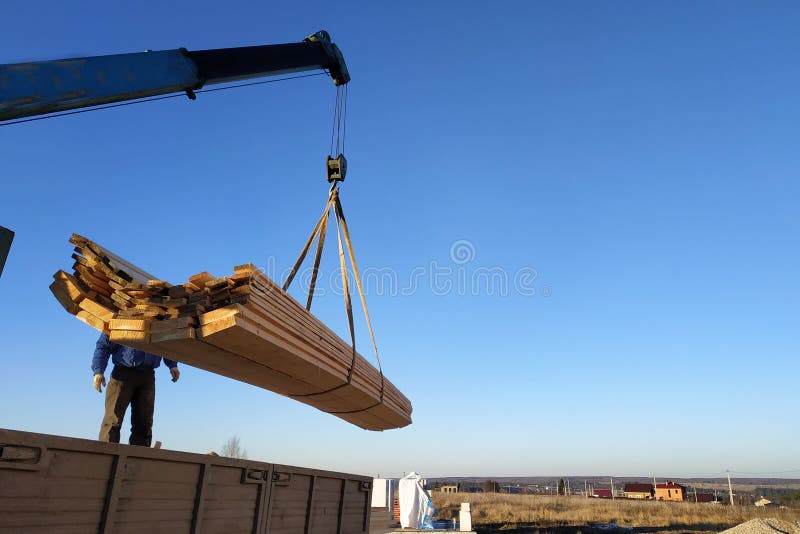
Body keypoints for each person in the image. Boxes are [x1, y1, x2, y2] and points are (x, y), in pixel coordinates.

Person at [91, 333, 180, 446]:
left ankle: (138, 460)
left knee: (144, 422)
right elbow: (104, 345)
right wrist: (98, 370)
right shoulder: (119, 318)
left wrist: (173, 365)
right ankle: (105, 457)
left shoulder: (158, 320)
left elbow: (165, 342)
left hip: (147, 375)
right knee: (113, 419)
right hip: (122, 373)